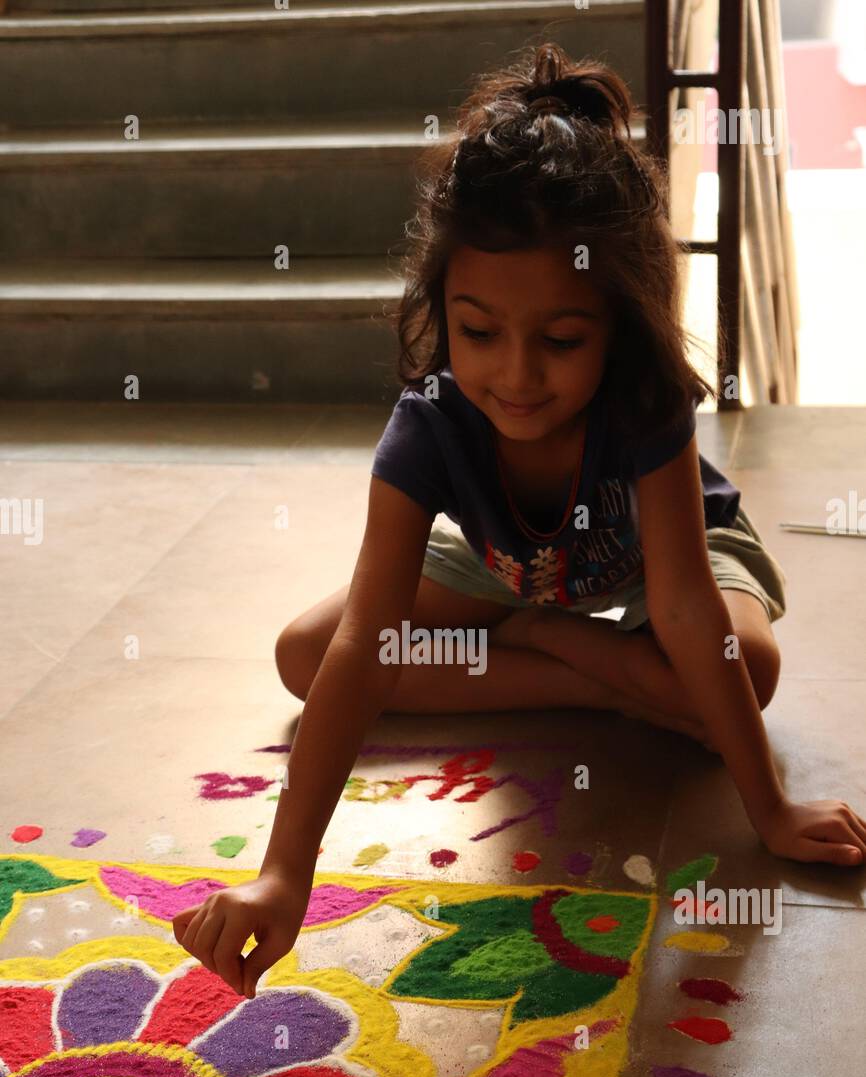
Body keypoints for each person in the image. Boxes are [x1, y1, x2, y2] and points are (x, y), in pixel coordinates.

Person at [173, 43, 866, 996]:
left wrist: (775, 809)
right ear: (441, 310)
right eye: (479, 332)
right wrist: (284, 873)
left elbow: (688, 608)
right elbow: (362, 647)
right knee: (307, 652)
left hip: (655, 564)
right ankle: (590, 675)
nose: (516, 375)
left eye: (562, 339)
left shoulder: (644, 402)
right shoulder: (428, 430)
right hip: (505, 567)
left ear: (620, 324)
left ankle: (571, 647)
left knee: (752, 670)